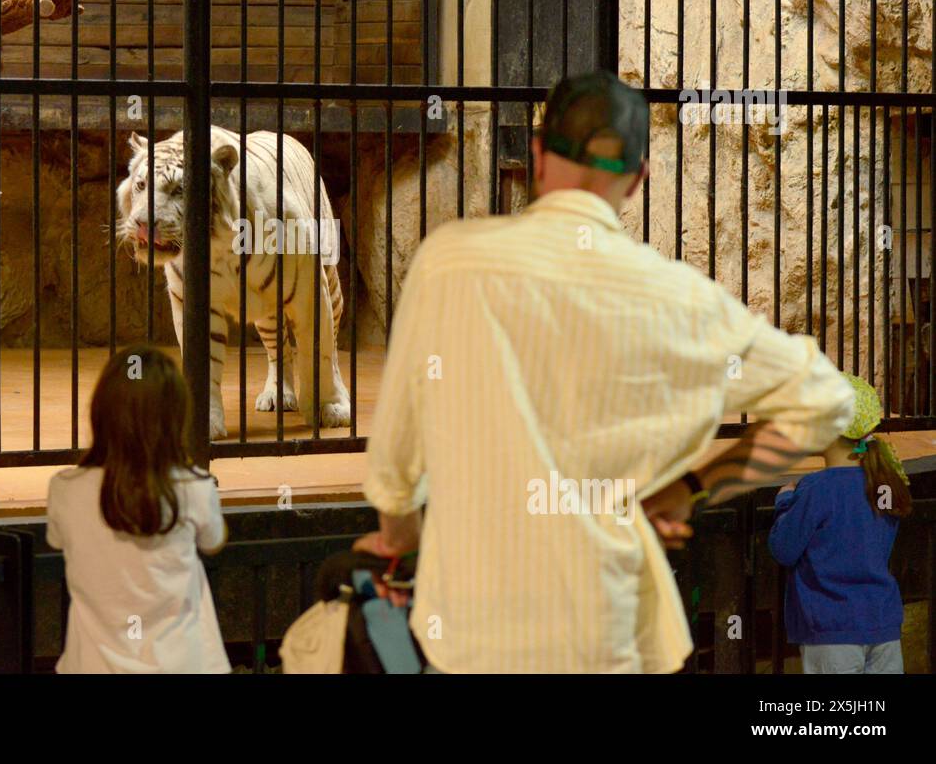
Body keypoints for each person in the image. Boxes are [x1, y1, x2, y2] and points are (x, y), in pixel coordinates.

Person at [356, 70, 856, 673]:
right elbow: (826, 397)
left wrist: (399, 536)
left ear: (538, 155)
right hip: (603, 637)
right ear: (638, 180)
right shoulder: (671, 295)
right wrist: (691, 489)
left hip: (468, 638)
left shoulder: (448, 262)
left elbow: (393, 467)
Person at [46, 345, 230, 673]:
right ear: (175, 419)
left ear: (100, 413)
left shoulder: (66, 489)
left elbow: (57, 540)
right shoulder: (194, 486)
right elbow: (213, 540)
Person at [769, 374, 909, 674]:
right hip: (883, 626)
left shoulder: (816, 489)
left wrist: (784, 503)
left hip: (831, 630)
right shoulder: (884, 484)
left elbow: (783, 549)